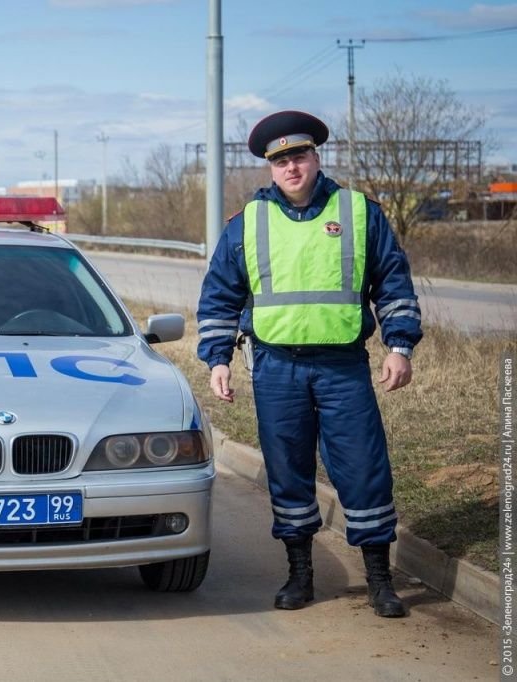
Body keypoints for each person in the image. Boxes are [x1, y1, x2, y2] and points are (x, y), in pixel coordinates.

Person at [196, 110, 422, 618]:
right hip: (277, 369)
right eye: (280, 160)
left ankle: (379, 581)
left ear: (316, 157)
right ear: (269, 168)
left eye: (298, 155)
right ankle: (300, 575)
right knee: (288, 471)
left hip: (343, 367)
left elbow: (393, 283)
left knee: (364, 470)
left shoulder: (360, 212)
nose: (291, 167)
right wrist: (217, 359)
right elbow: (219, 297)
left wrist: (400, 345)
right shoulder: (247, 223)